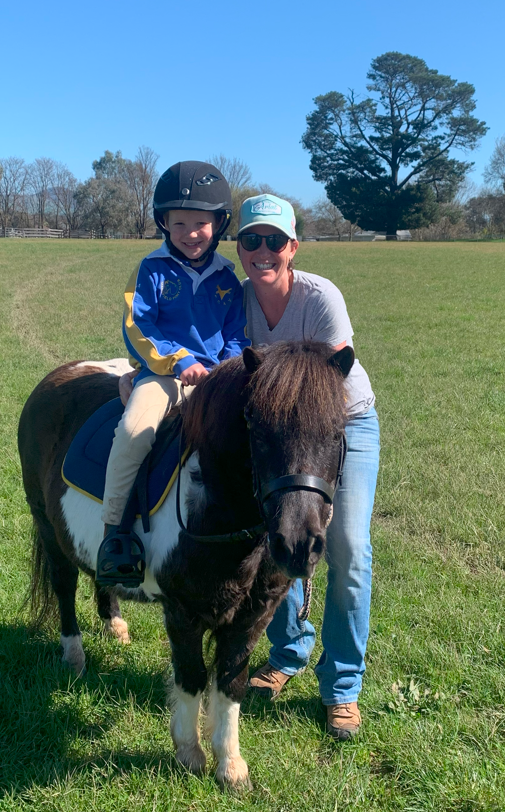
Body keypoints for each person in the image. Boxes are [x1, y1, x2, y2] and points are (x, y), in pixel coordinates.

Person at [119, 192, 379, 741]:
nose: (262, 250)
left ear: (292, 247)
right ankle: (286, 656)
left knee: (348, 548)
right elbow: (215, 346)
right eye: (251, 239)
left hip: (338, 422)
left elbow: (329, 375)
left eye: (274, 241)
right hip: (277, 429)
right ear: (238, 245)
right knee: (275, 532)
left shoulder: (320, 296)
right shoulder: (233, 294)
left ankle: (343, 688)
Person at [99, 161, 250, 570]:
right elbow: (138, 326)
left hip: (217, 379)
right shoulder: (151, 269)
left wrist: (227, 369)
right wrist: (178, 361)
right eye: (178, 223)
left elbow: (238, 334)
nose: (189, 234)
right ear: (163, 222)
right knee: (133, 432)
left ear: (219, 224)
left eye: (200, 224)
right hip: (164, 377)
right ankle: (114, 532)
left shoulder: (228, 279)